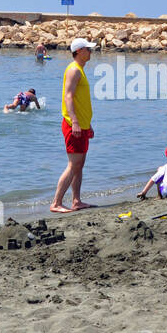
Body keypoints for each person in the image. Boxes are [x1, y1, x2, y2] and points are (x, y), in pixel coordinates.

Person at [51, 38, 96, 213]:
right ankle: (56, 203)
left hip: (82, 125)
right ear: (78, 51)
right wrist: (76, 122)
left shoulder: (80, 70)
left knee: (80, 164)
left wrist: (87, 124)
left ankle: (76, 201)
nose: (91, 52)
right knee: (73, 164)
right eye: (88, 49)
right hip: (73, 125)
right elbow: (68, 97)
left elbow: (80, 100)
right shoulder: (73, 70)